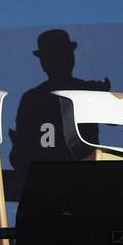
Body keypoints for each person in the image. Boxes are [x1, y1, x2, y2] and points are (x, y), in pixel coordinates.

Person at [9, 29, 110, 173]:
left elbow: (19, 155)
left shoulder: (31, 97)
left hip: (76, 174)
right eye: (56, 55)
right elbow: (20, 154)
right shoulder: (88, 90)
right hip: (68, 176)